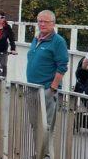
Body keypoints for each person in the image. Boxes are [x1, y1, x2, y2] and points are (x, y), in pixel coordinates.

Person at [26, 9, 69, 137]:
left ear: (53, 23)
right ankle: (38, 154)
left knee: (46, 125)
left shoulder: (58, 41)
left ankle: (46, 155)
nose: (42, 24)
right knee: (35, 124)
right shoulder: (36, 39)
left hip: (46, 89)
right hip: (32, 88)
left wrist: (53, 87)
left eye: (46, 22)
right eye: (40, 21)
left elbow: (62, 66)